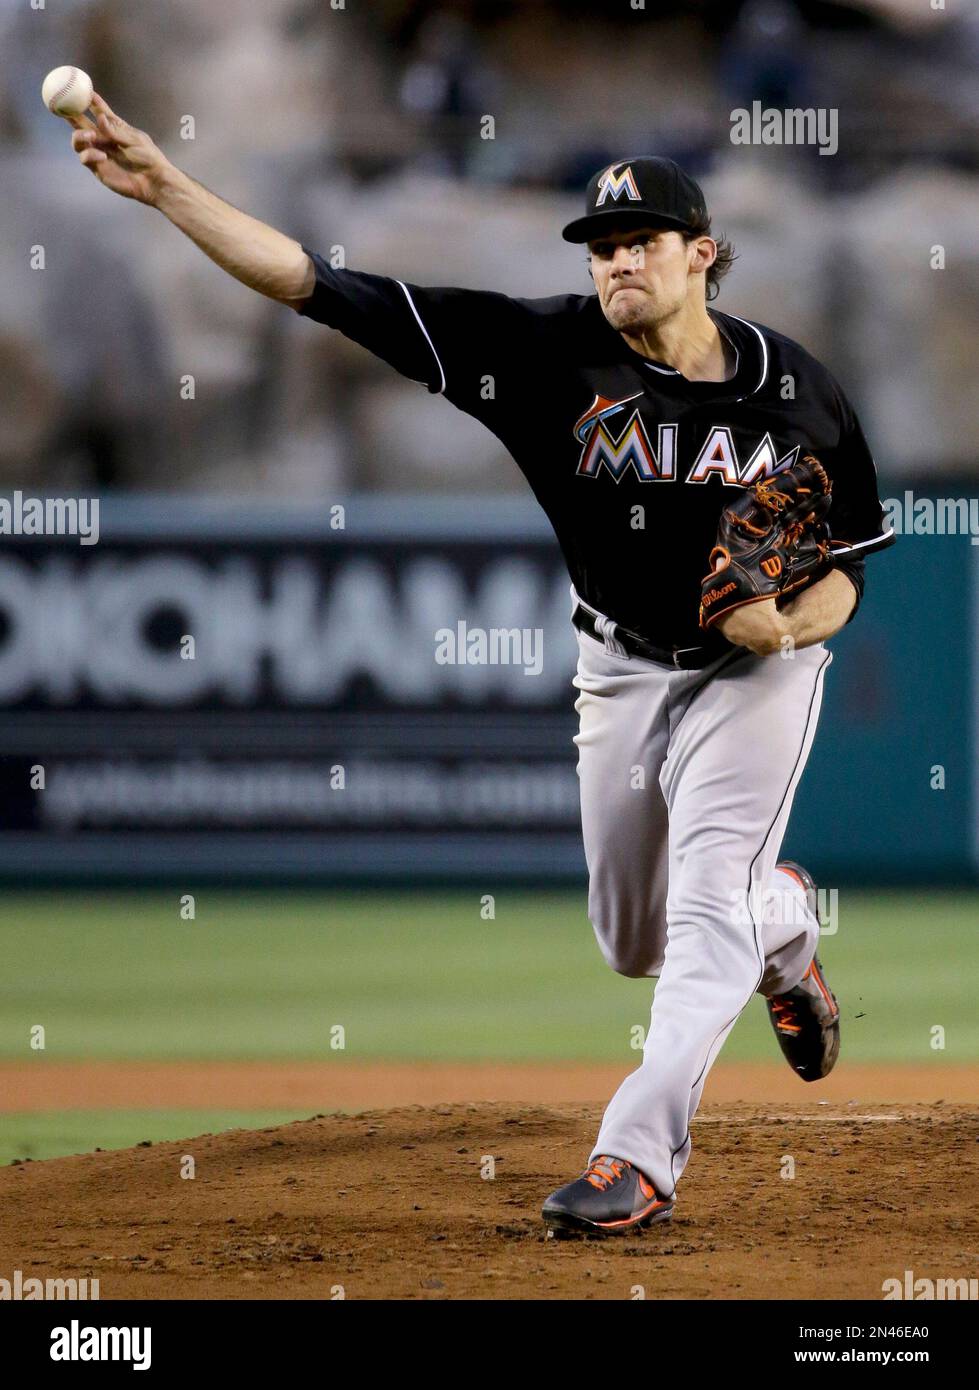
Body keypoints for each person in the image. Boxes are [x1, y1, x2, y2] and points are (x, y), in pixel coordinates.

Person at [68, 99, 891, 1238]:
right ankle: (787, 925)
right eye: (602, 247)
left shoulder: (795, 390)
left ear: (701, 253)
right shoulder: (544, 355)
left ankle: (632, 1162)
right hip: (617, 667)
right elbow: (319, 285)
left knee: (701, 920)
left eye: (640, 241)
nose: (616, 263)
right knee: (634, 943)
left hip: (755, 681)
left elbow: (848, 566)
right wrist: (165, 187)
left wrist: (791, 629)